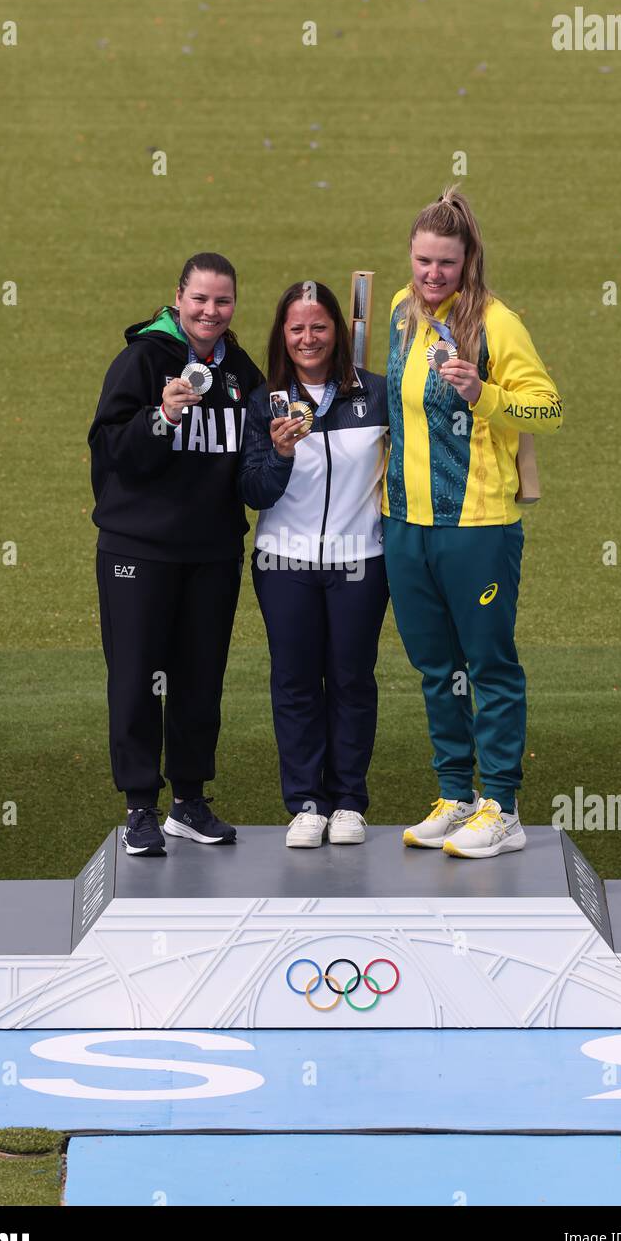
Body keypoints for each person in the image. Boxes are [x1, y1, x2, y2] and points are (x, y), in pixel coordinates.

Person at [384, 188, 563, 857]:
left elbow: (549, 409)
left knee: (488, 667)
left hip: (478, 525)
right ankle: (457, 795)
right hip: (404, 522)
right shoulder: (402, 311)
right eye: (423, 261)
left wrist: (481, 394)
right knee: (435, 668)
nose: (432, 274)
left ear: (469, 260)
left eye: (446, 264)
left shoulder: (496, 323)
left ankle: (504, 808)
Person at [88, 252, 264, 856]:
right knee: (137, 678)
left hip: (213, 552)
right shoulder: (143, 359)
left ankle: (188, 801)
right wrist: (160, 416)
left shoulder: (240, 371)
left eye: (222, 301)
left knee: (199, 679)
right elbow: (111, 448)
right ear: (179, 298)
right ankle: (141, 806)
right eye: (200, 300)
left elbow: (255, 460)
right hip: (138, 550)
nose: (211, 312)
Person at [240, 281, 389, 848]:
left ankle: (349, 800)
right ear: (283, 334)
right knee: (296, 681)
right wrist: (278, 455)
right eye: (297, 328)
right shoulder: (265, 402)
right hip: (284, 563)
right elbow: (253, 491)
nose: (309, 338)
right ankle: (306, 801)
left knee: (352, 679)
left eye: (319, 327)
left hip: (361, 561)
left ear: (338, 331)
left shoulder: (374, 395)